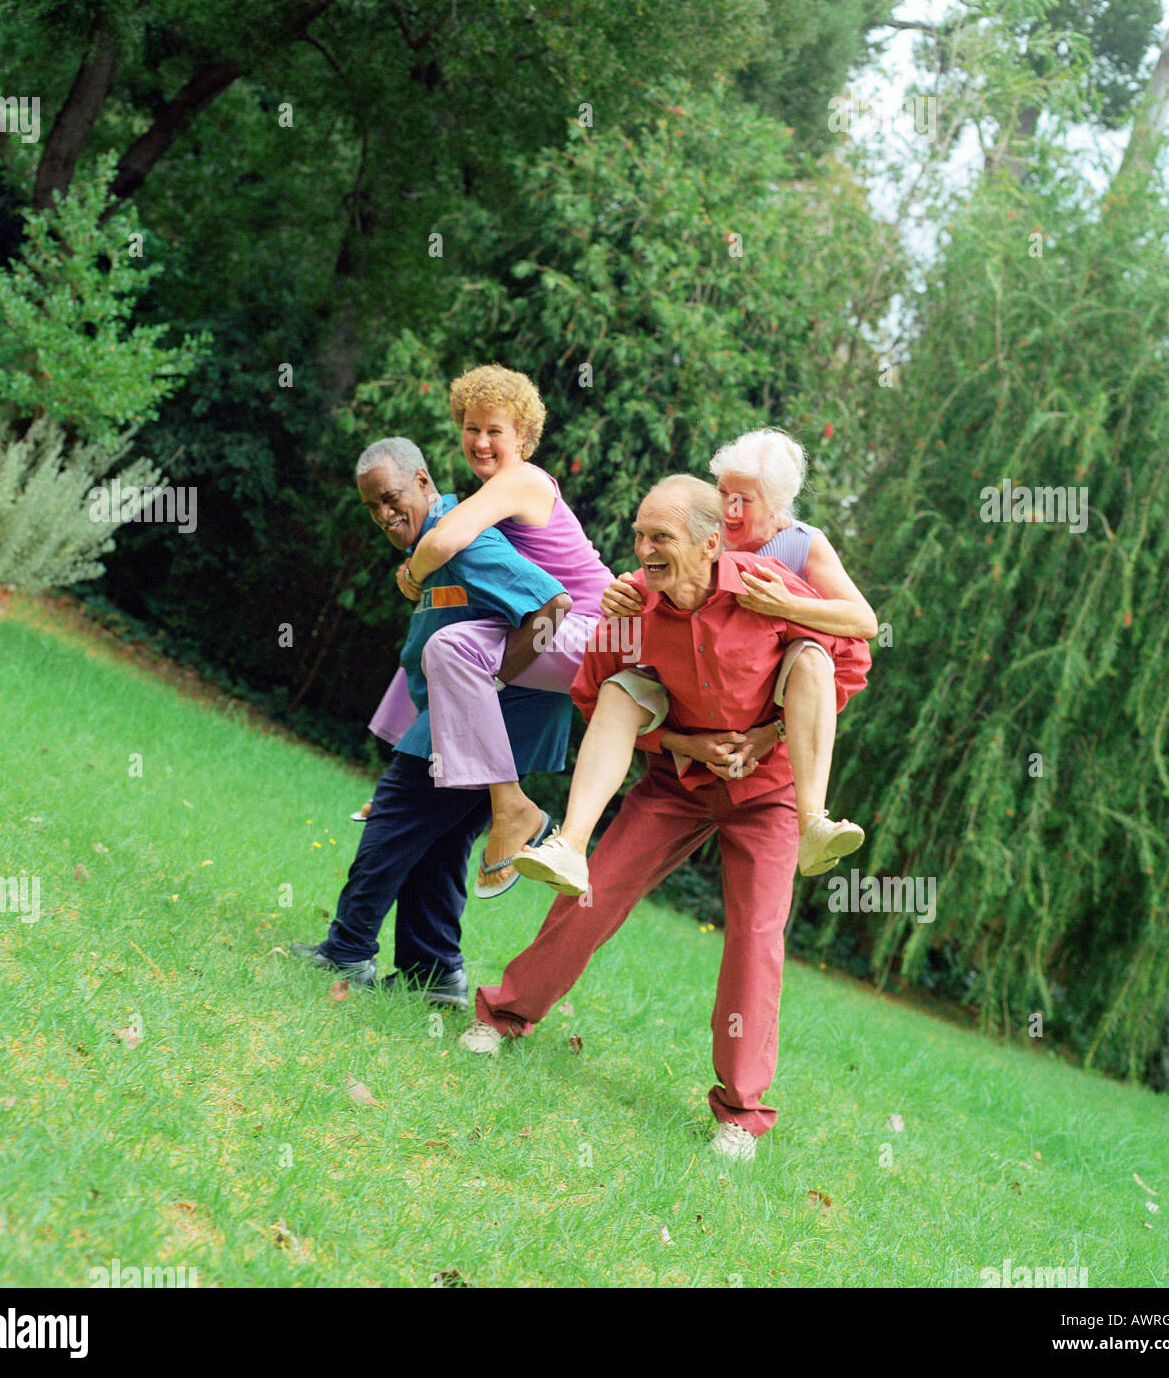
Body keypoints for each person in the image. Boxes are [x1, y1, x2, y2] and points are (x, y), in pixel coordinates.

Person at [459, 476, 868, 1162]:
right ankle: (504, 1014)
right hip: (676, 781)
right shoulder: (630, 601)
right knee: (591, 894)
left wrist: (765, 740)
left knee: (756, 940)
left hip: (766, 791)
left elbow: (845, 661)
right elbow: (596, 697)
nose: (644, 549)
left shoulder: (766, 585)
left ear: (711, 544)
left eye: (661, 538)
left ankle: (741, 1112)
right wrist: (682, 745)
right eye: (640, 535)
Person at [514, 428, 877, 894]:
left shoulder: (800, 546)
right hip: (686, 720)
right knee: (619, 688)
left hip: (767, 730)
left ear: (777, 503)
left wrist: (785, 609)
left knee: (812, 656)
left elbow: (861, 625)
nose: (727, 509)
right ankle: (570, 844)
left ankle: (814, 820)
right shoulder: (696, 538)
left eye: (742, 499)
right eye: (723, 493)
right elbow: (654, 568)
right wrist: (619, 592)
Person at [290, 437, 572, 1008]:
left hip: (475, 722)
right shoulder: (432, 548)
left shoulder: (461, 542)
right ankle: (434, 972)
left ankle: (348, 950)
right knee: (441, 845)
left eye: (390, 498)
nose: (384, 515)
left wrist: (493, 685)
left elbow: (551, 604)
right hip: (468, 722)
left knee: (393, 821)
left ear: (423, 481)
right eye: (372, 508)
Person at [365, 364, 615, 897]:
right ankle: (408, 776)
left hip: (590, 633)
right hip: (563, 633)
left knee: (452, 645)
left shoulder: (521, 480)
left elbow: (444, 539)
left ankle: (513, 809)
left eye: (494, 430)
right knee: (445, 623)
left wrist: (410, 575)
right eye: (471, 427)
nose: (480, 441)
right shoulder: (498, 490)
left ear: (522, 437)